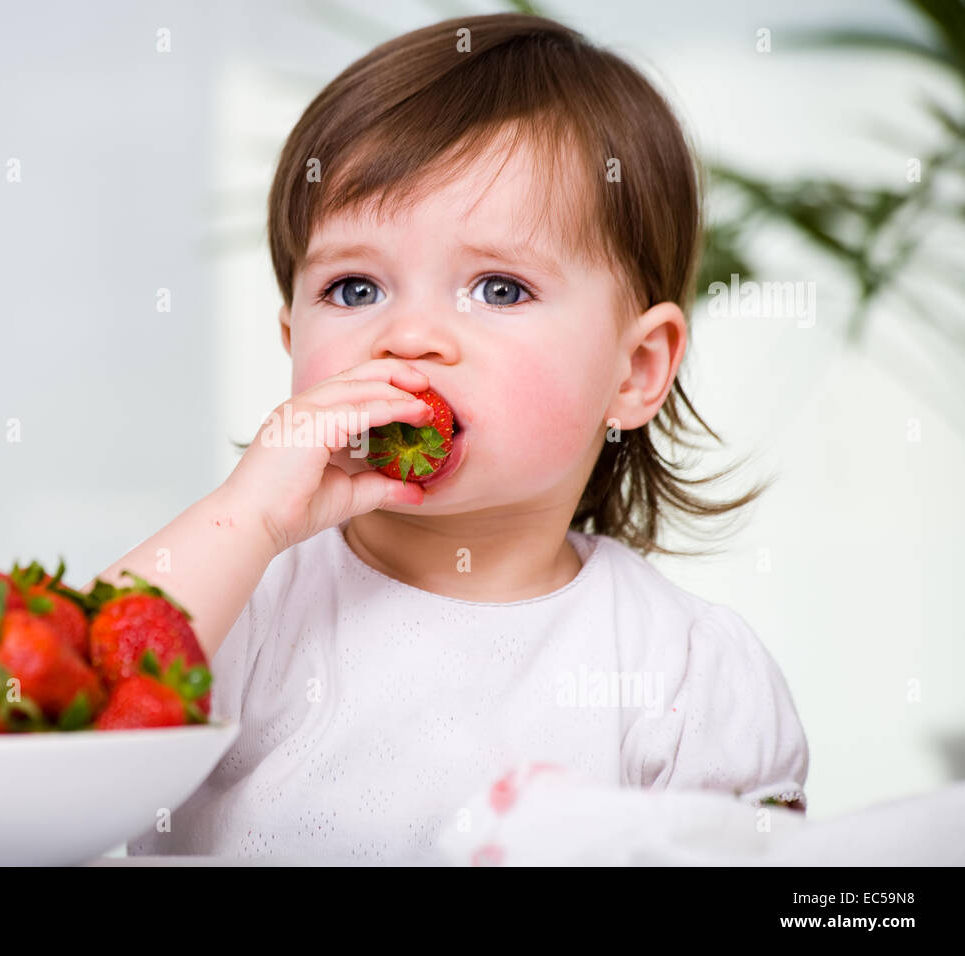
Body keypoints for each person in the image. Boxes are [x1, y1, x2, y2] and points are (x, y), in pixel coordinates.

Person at [110, 12, 808, 863]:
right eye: (356, 289)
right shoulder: (242, 597)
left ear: (633, 372)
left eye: (500, 289)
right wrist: (244, 518)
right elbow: (56, 708)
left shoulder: (685, 671)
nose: (410, 337)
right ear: (292, 341)